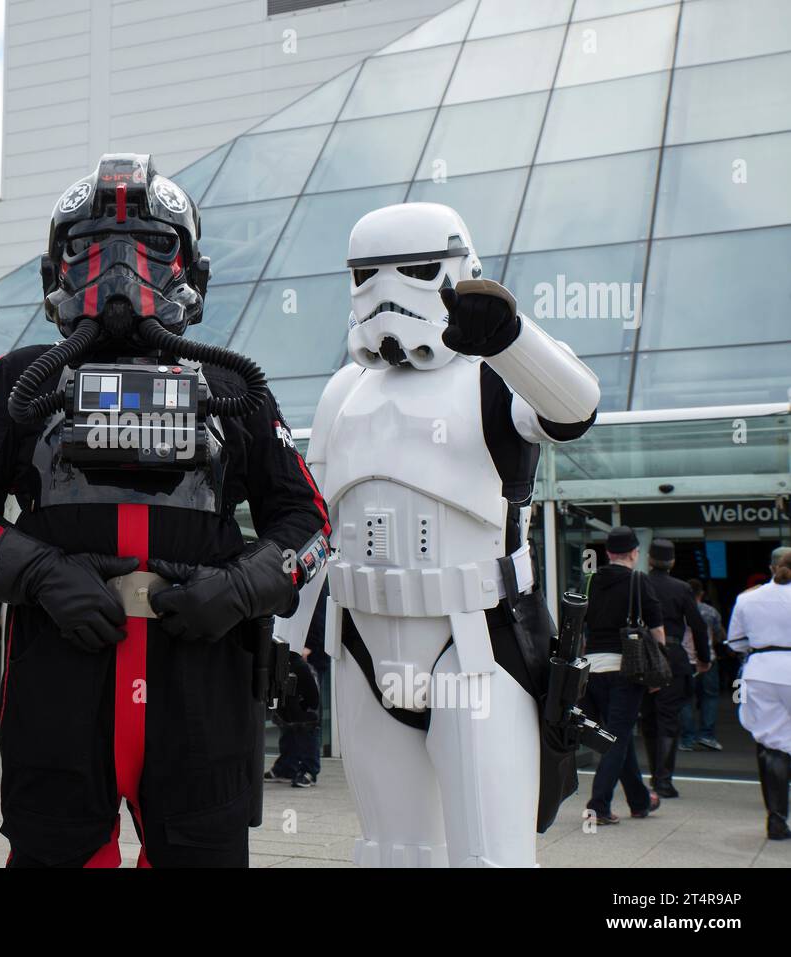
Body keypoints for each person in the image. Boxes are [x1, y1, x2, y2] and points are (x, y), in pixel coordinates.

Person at [0, 153, 330, 868]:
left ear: (189, 268)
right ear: (59, 268)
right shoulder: (20, 379)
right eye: (91, 249)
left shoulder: (232, 385)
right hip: (59, 671)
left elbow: (308, 521)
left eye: (150, 246)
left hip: (201, 677)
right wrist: (40, 572)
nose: (120, 270)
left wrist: (240, 589)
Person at [277, 202, 601, 867]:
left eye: (416, 269)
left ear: (459, 271)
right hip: (363, 645)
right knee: (392, 851)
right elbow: (317, 527)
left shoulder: (492, 375)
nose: (386, 291)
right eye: (366, 273)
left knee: (490, 857)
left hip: (476, 645)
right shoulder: (343, 391)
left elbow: (574, 406)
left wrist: (510, 338)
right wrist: (289, 642)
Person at [580, 528, 664, 825]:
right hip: (625, 669)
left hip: (592, 668)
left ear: (607, 553)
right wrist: (658, 664)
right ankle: (598, 806)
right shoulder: (638, 581)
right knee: (616, 738)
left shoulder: (590, 581)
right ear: (633, 553)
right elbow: (656, 628)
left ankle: (640, 801)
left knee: (619, 735)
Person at [728, 549, 791, 839]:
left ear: (770, 567)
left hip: (762, 671)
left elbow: (736, 643)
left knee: (772, 744)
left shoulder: (747, 598)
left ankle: (777, 820)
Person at [640, 539, 711, 798]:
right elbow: (698, 625)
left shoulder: (638, 583)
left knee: (648, 720)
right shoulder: (681, 589)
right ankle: (663, 780)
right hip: (673, 657)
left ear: (649, 560)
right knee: (668, 720)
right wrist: (704, 657)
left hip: (642, 657)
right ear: (672, 562)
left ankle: (653, 774)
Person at [267, 581, 327, 788]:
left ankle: (309, 768)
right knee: (287, 712)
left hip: (308, 656)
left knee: (308, 715)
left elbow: (319, 615)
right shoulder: (293, 575)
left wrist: (309, 646)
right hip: (289, 654)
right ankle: (287, 764)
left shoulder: (317, 578)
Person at [679, 578, 724, 753]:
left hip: (685, 659)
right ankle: (707, 735)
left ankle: (687, 738)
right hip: (708, 660)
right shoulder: (711, 612)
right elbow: (719, 635)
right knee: (709, 698)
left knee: (685, 699)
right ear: (701, 593)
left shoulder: (678, 610)